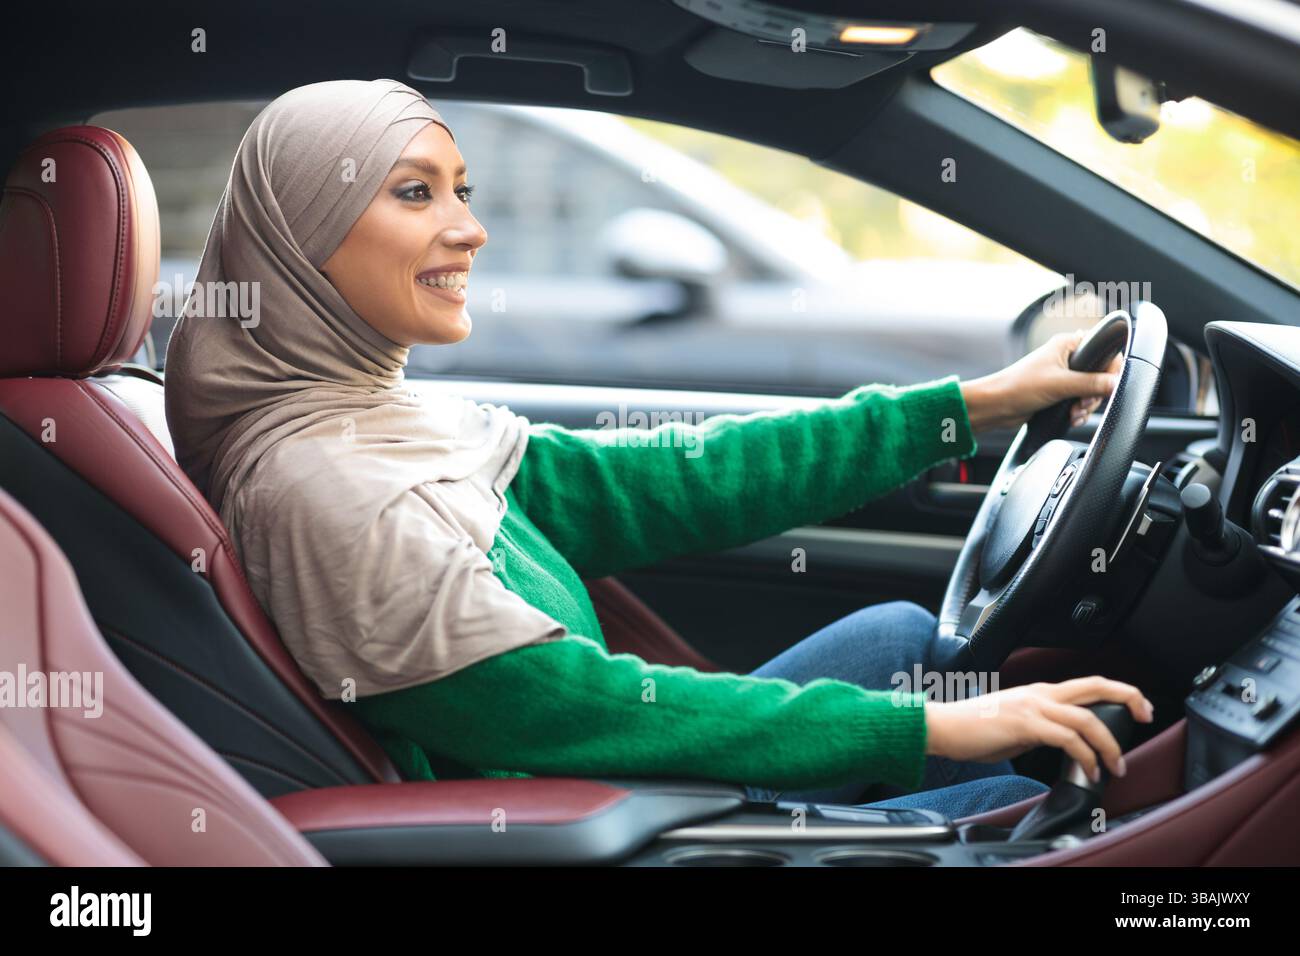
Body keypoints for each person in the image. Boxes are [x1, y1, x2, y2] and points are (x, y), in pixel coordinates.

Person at [164, 79, 1152, 821]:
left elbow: (671, 477)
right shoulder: (330, 489)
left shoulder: (384, 418)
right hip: (587, 829)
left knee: (899, 636)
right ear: (307, 234)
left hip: (604, 782)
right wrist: (926, 728)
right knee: (1019, 817)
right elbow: (565, 707)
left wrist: (976, 404)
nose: (469, 229)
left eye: (459, 190)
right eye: (415, 194)